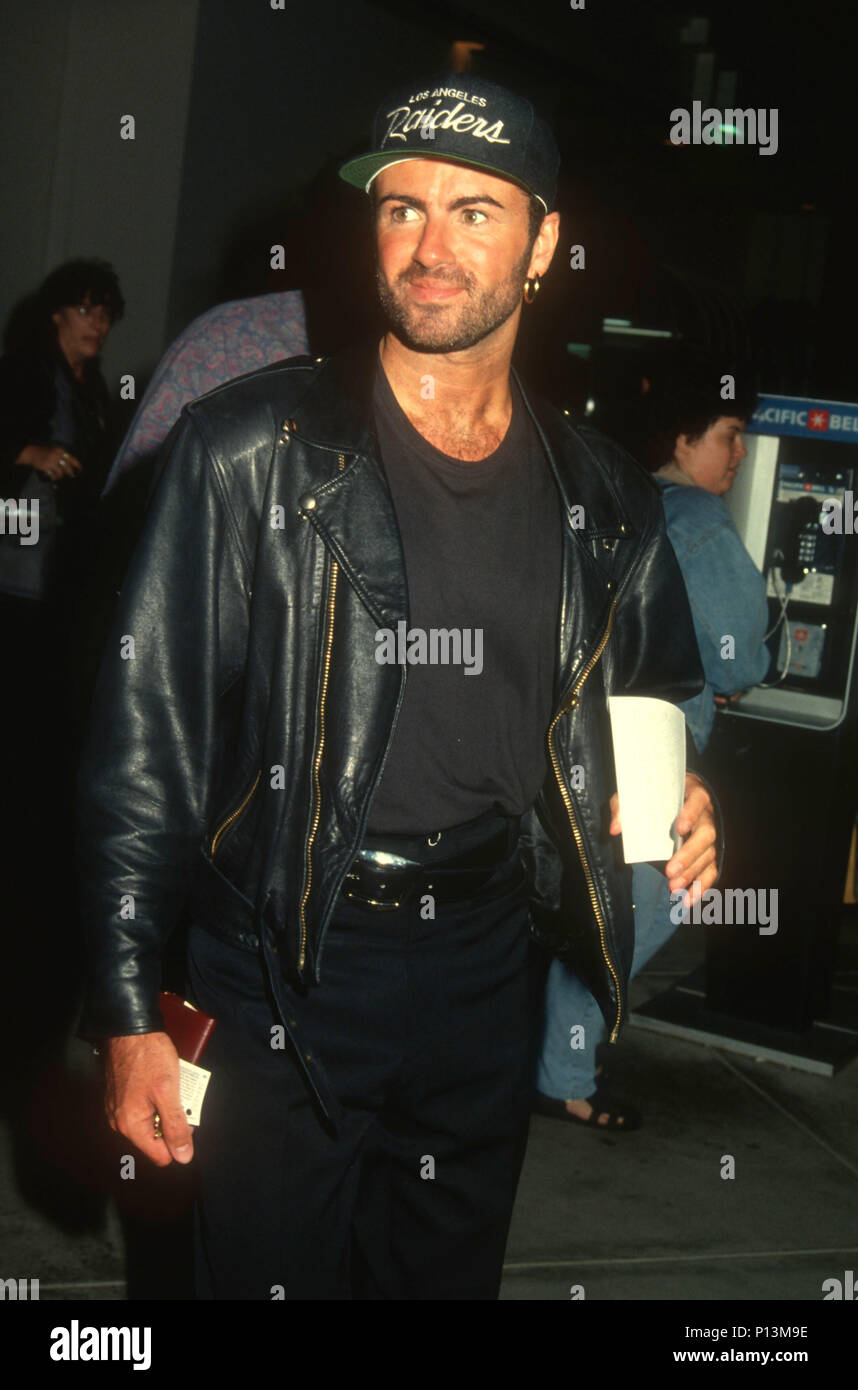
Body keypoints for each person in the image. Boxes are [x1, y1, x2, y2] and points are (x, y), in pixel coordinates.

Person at [77, 71, 721, 1300]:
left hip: (489, 963)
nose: (430, 246)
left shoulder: (602, 492)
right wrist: (123, 1013)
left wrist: (690, 792)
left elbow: (655, 693)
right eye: (401, 207)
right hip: (279, 959)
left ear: (543, 245)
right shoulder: (242, 454)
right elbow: (137, 749)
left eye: (474, 211)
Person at [535, 364, 769, 1130]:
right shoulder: (699, 517)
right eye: (730, 437)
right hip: (655, 745)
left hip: (582, 733)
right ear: (684, 440)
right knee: (643, 905)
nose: (739, 456)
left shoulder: (616, 497)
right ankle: (561, 1073)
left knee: (589, 900)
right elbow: (743, 660)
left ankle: (542, 1055)